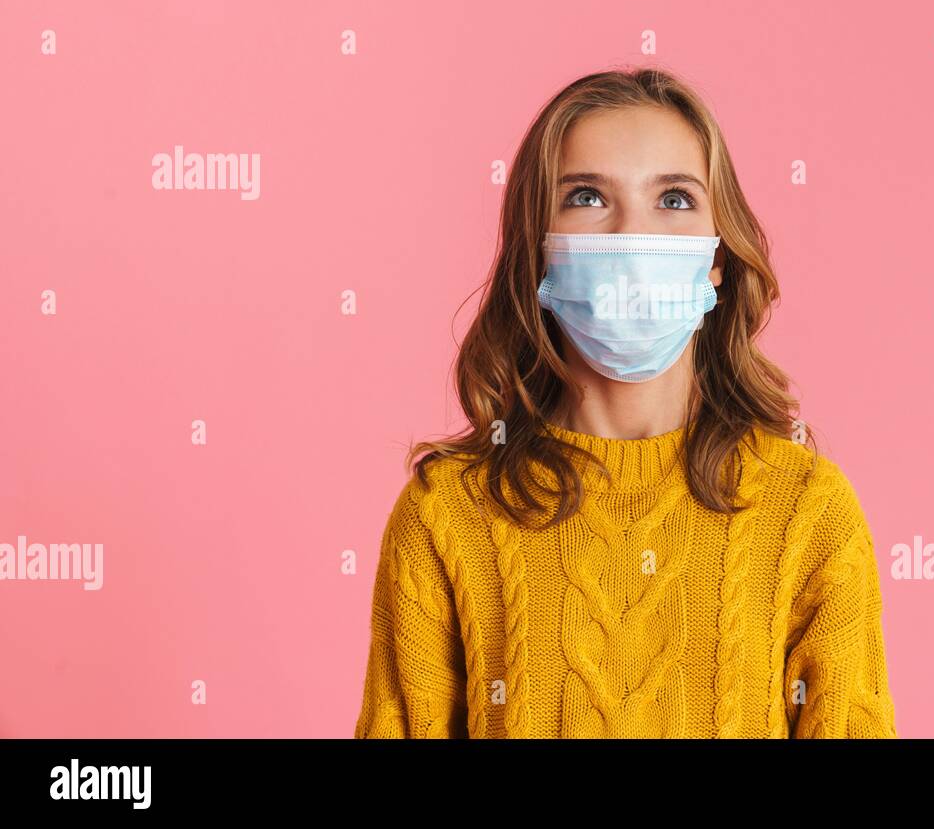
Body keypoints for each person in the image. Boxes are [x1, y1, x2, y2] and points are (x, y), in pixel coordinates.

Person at [353, 66, 898, 738]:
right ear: (539, 250)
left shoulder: (808, 513)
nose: (629, 238)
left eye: (673, 199)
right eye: (586, 196)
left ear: (719, 257)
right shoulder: (444, 517)